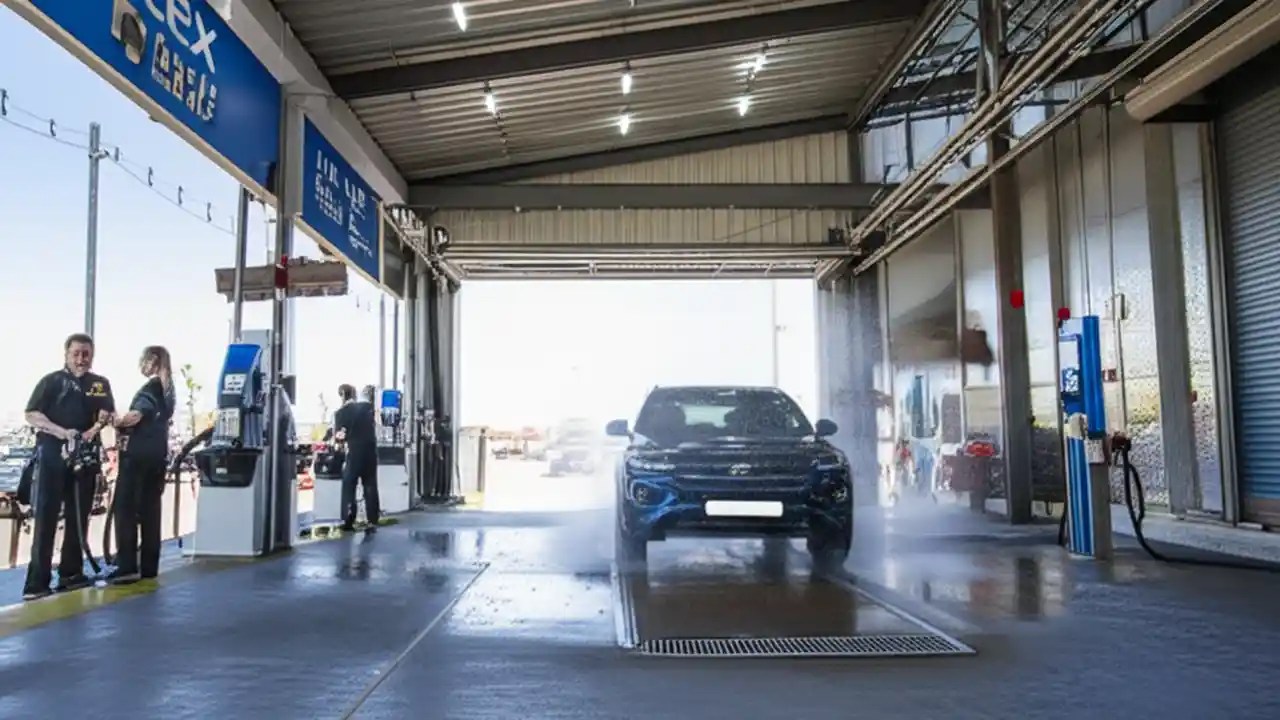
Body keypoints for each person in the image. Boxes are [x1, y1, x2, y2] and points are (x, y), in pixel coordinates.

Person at [22, 333, 115, 601]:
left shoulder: (99, 384)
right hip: (52, 454)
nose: (81, 359)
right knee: (46, 518)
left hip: (85, 458)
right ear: (66, 354)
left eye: (86, 353)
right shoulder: (51, 381)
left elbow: (106, 413)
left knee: (79, 515)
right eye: (76, 353)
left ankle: (71, 574)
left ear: (92, 355)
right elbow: (31, 414)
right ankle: (36, 582)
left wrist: (94, 432)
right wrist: (62, 432)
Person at [108, 346, 177, 585]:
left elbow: (136, 416)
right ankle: (149, 566)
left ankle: (126, 566)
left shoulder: (150, 388)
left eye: (143, 360)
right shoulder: (168, 391)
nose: (140, 365)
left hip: (137, 459)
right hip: (157, 458)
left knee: (125, 510)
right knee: (150, 512)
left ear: (153, 360)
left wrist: (115, 421)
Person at [332, 383, 380, 532]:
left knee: (349, 484)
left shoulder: (340, 413)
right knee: (370, 484)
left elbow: (340, 437)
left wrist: (337, 444)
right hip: (371, 451)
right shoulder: (366, 408)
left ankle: (348, 519)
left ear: (342, 396)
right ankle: (372, 519)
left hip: (354, 452)